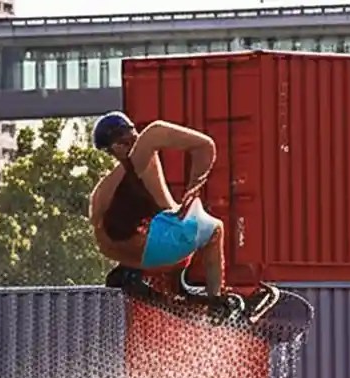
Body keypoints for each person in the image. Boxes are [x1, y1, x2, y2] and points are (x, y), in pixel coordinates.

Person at [86, 111, 275, 322]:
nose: (136, 139)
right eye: (130, 137)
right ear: (125, 138)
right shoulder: (146, 145)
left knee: (174, 223)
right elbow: (206, 146)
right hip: (155, 251)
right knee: (214, 229)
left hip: (132, 257)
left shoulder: (101, 190)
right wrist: (194, 187)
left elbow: (102, 235)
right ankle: (217, 303)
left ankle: (157, 281)